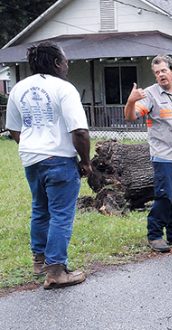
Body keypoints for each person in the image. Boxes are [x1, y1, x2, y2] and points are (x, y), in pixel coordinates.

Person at [5, 41, 91, 289]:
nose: (67, 65)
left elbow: (14, 129)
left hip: (31, 159)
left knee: (40, 209)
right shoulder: (64, 88)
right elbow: (80, 131)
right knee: (61, 214)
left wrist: (35, 147)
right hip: (60, 159)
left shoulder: (18, 88)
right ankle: (56, 271)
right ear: (56, 63)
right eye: (65, 60)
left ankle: (39, 261)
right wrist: (86, 162)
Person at [124, 55, 172, 253]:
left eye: (164, 71)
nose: (160, 75)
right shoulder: (150, 94)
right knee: (165, 196)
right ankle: (155, 235)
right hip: (164, 155)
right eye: (157, 73)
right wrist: (131, 101)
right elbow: (131, 116)